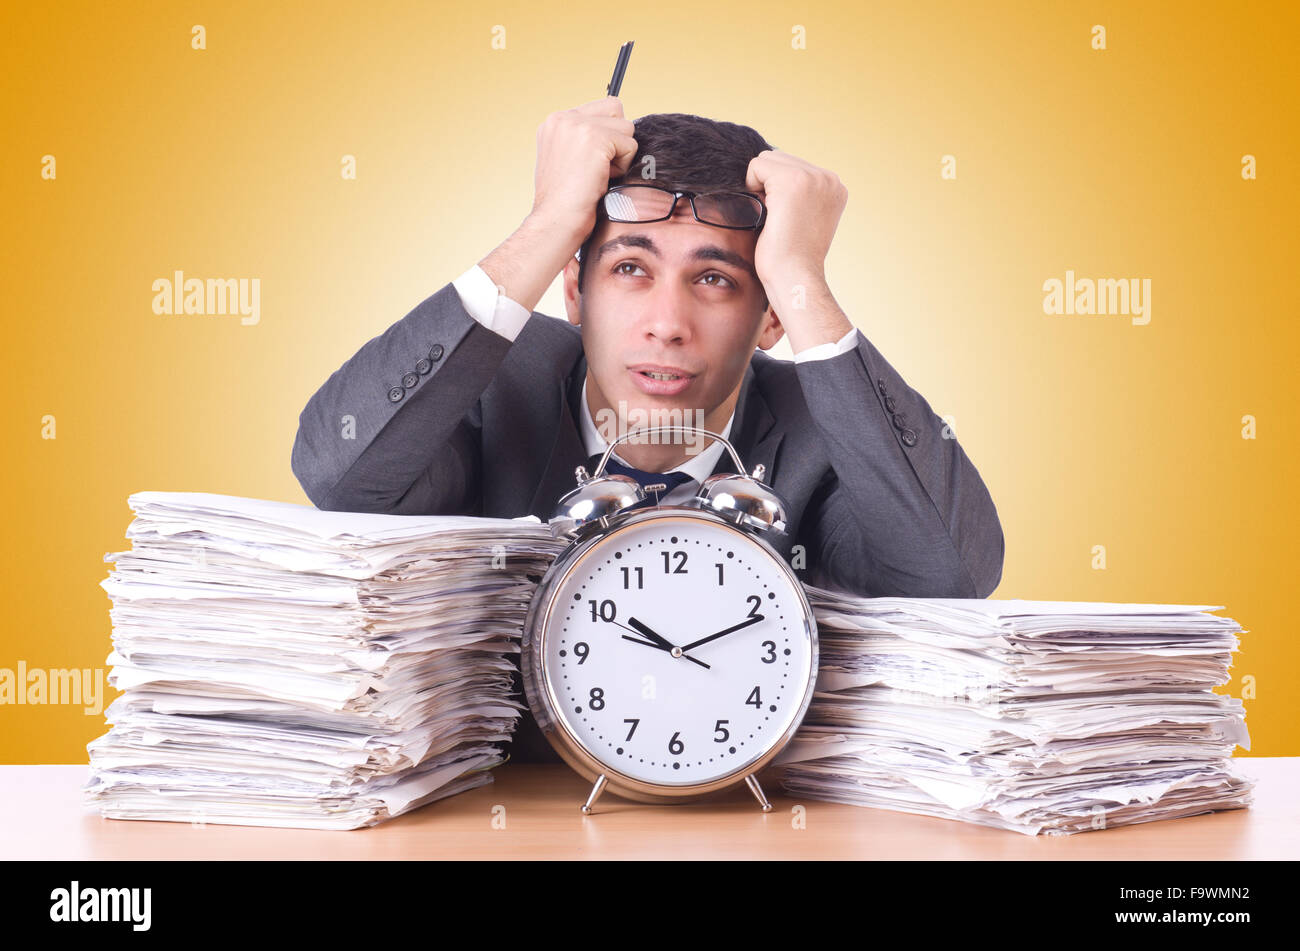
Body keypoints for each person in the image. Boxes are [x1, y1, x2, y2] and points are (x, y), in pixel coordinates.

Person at [291, 97, 1005, 761]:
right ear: (575, 289)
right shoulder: (487, 387)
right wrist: (547, 226)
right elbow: (339, 471)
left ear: (772, 317)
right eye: (631, 267)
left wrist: (802, 278)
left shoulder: (829, 431)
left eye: (715, 280)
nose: (667, 324)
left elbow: (948, 571)